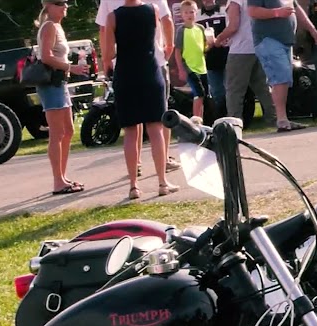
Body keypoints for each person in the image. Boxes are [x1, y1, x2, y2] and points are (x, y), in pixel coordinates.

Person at [102, 0, 180, 199]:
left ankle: (133, 186)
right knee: (156, 129)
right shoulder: (152, 10)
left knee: (130, 132)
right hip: (150, 72)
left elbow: (110, 52)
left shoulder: (113, 16)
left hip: (126, 74)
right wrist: (167, 47)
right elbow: (161, 30)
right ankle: (162, 182)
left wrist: (107, 63)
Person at [36, 0, 90, 194]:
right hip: (51, 85)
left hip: (60, 83)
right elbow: (45, 56)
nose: (65, 6)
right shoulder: (49, 26)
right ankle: (58, 181)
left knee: (68, 131)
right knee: (57, 133)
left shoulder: (57, 26)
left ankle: (63, 176)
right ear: (48, 6)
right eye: (59, 3)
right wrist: (71, 67)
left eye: (66, 2)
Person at [246, 0, 317, 131]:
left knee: (284, 78)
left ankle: (284, 118)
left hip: (286, 41)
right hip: (267, 39)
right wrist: (276, 12)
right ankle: (281, 120)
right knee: (280, 77)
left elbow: (296, 9)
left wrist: (312, 29)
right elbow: (252, 11)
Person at [218, 0, 278, 126]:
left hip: (240, 50)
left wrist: (219, 38)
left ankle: (235, 125)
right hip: (259, 46)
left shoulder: (235, 1)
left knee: (234, 91)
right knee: (264, 88)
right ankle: (275, 119)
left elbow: (234, 26)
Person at [176, 0, 211, 119]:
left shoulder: (200, 28)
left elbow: (204, 47)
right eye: (186, 12)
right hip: (189, 67)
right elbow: (177, 52)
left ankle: (201, 120)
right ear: (182, 15)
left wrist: (211, 43)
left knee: (204, 95)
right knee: (199, 93)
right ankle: (196, 119)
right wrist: (181, 69)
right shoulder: (181, 30)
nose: (189, 15)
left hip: (201, 66)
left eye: (191, 12)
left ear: (196, 13)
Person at [197, 0, 231, 116]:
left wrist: (224, 40)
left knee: (231, 90)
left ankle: (234, 117)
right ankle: (221, 118)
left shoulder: (224, 11)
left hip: (227, 56)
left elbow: (232, 29)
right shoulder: (196, 15)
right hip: (209, 60)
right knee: (217, 92)